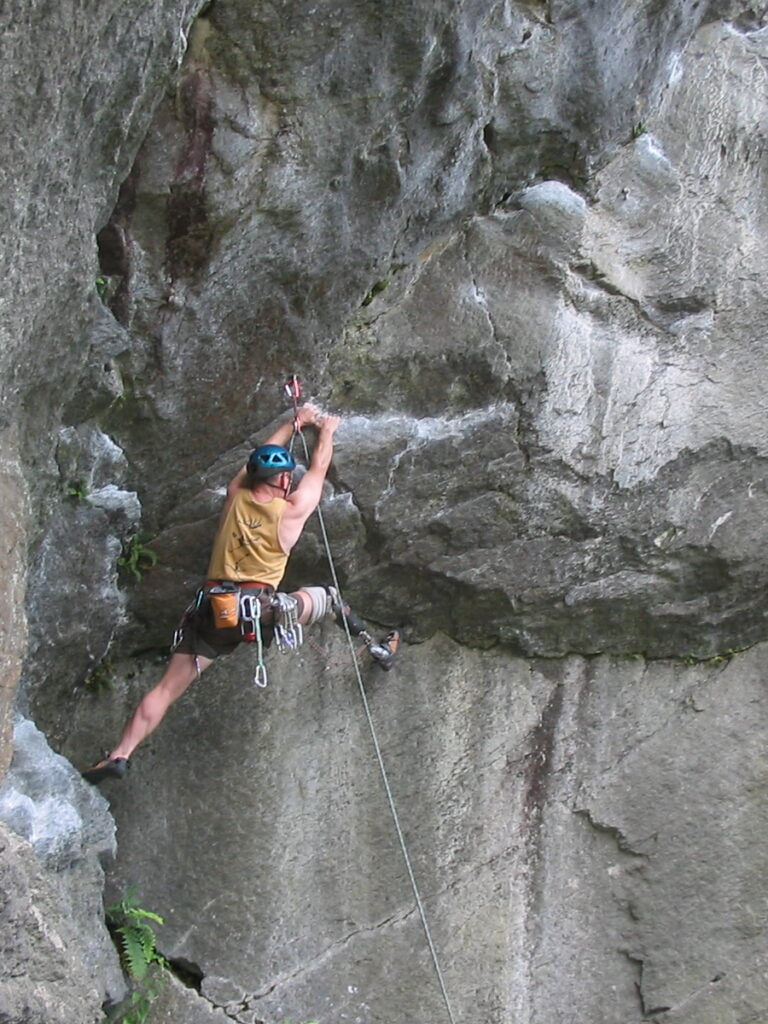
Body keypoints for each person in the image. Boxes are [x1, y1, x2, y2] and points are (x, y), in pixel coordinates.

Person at [82, 404, 399, 784]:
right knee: (327, 597)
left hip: (213, 611)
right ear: (282, 480)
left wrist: (292, 423)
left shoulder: (235, 498)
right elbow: (318, 470)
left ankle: (119, 755)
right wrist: (325, 429)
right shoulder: (292, 511)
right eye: (286, 476)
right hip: (261, 611)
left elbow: (254, 461)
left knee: (166, 689)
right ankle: (377, 647)